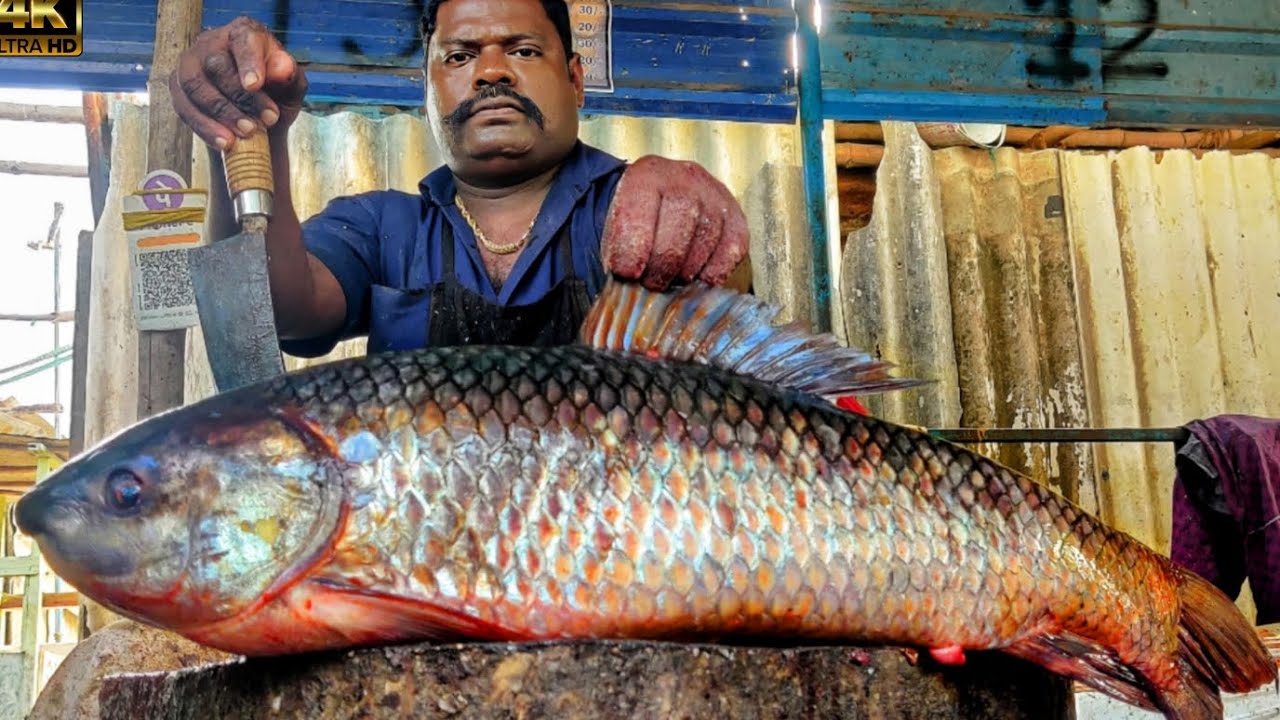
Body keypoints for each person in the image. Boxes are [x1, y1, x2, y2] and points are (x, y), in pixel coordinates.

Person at [170, 0, 750, 357]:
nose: (492, 71)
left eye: (523, 51)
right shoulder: (380, 228)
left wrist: (704, 219)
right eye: (458, 57)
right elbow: (264, 315)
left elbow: (740, 346)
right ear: (425, 90)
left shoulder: (640, 206)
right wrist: (254, 126)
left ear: (575, 79)